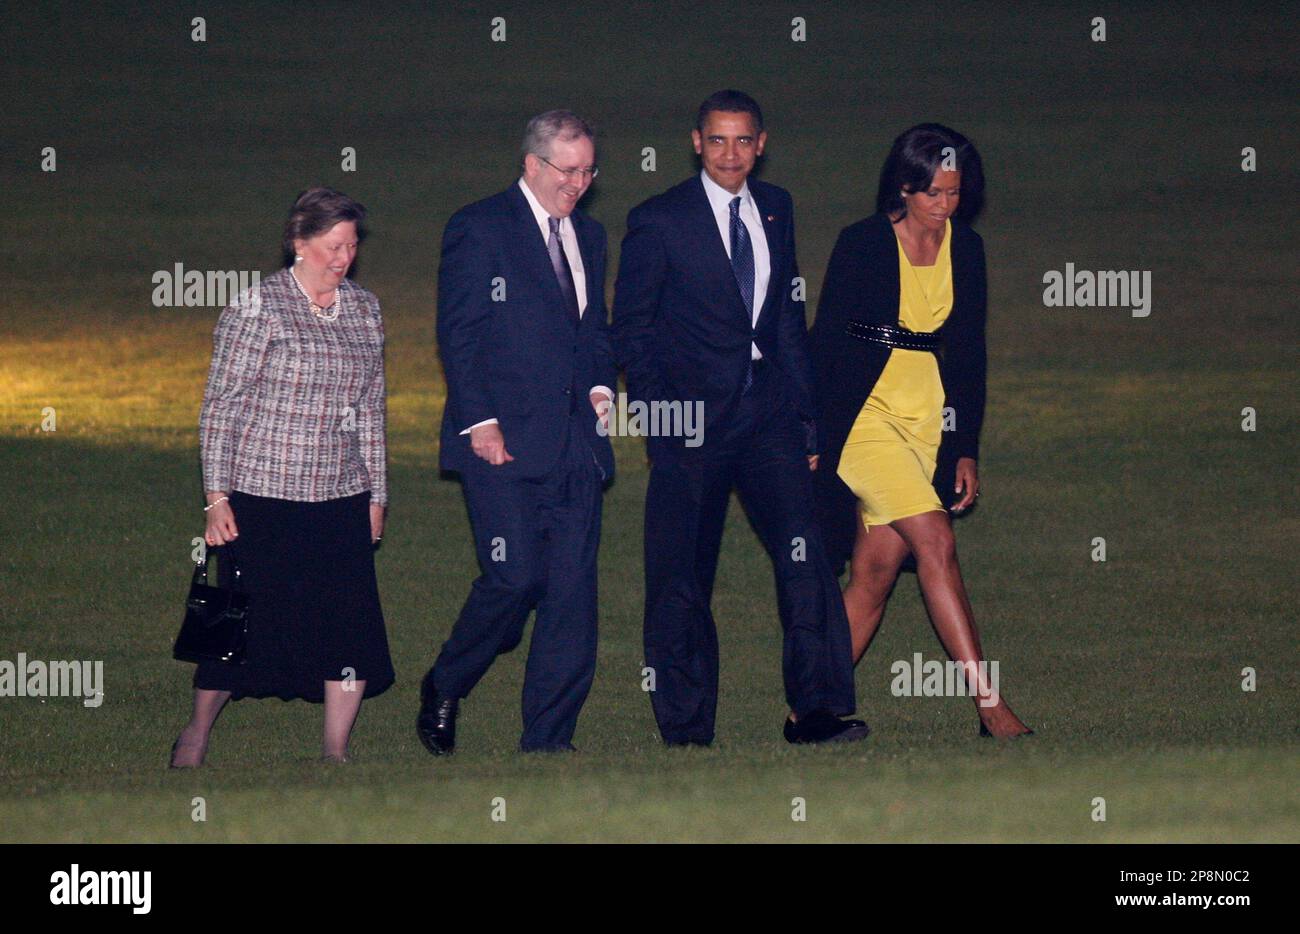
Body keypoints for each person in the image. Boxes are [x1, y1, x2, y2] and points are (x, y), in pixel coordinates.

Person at [611, 90, 865, 746]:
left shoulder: (777, 209)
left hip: (768, 417)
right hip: (689, 424)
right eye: (718, 141)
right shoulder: (658, 220)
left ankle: (816, 712)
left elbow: (783, 317)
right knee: (682, 577)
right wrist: (661, 420)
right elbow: (632, 330)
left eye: (743, 141)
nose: (731, 154)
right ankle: (688, 730)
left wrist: (806, 422)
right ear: (697, 142)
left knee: (805, 557)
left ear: (761, 143)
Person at [809, 124, 1031, 737]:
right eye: (933, 193)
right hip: (862, 418)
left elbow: (968, 354)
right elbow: (826, 340)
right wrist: (810, 434)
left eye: (955, 193)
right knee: (935, 541)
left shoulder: (970, 250)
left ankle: (810, 707)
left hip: (928, 418)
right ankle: (992, 708)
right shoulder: (862, 243)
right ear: (904, 187)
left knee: (876, 574)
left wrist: (964, 448)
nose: (945, 205)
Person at [174, 186, 394, 767]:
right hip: (263, 495)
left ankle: (334, 752)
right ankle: (196, 734)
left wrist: (377, 495)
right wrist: (215, 496)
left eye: (350, 245)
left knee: (348, 624)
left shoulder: (366, 310)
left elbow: (371, 407)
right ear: (298, 243)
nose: (342, 256)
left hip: (340, 496)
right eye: (330, 245)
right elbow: (221, 405)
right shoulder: (257, 308)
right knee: (241, 625)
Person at [418, 110, 615, 754]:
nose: (580, 182)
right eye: (569, 169)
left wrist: (598, 387)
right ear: (532, 165)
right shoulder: (479, 228)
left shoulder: (589, 235)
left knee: (571, 599)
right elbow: (461, 331)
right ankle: (447, 682)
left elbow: (591, 329)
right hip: (499, 442)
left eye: (589, 170)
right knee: (515, 578)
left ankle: (549, 742)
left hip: (575, 446)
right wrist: (480, 421)